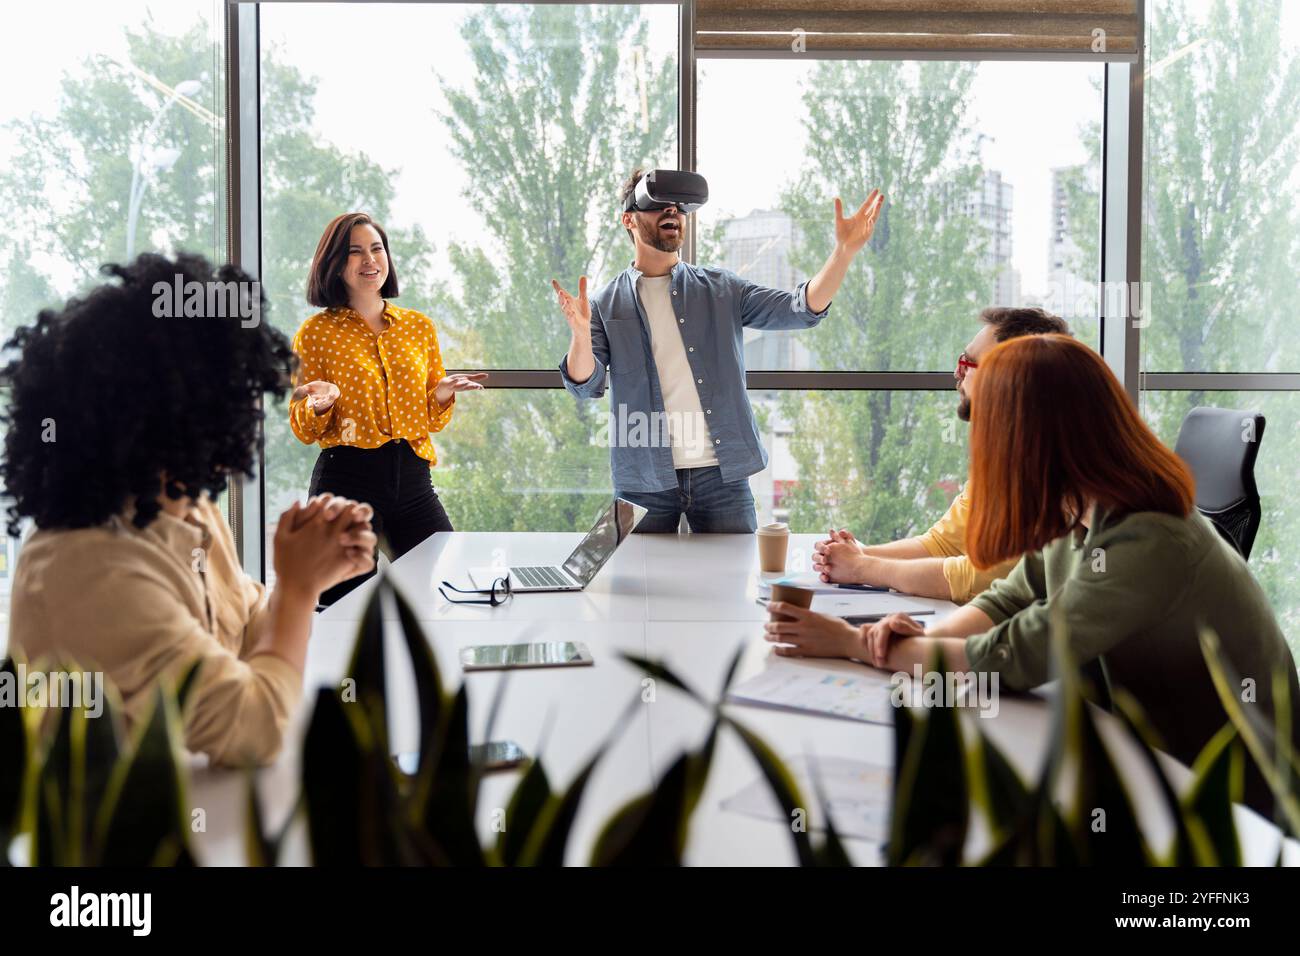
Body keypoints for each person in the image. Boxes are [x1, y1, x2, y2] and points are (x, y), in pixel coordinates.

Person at [766, 333, 1300, 814]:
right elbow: (1006, 601)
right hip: (1139, 758)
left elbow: (1016, 656)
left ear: (1030, 437)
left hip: (1228, 808)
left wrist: (855, 644)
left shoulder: (1147, 540)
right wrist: (912, 636)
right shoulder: (1081, 514)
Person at [5, 253, 377, 766]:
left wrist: (313, 570)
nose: (250, 410)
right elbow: (255, 729)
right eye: (236, 390)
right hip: (118, 838)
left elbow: (247, 631)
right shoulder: (88, 566)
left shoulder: (189, 509)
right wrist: (294, 590)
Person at [555, 167, 884, 532]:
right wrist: (581, 336)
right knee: (639, 585)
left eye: (679, 207)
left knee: (733, 583)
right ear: (628, 219)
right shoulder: (605, 304)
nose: (672, 212)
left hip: (722, 477)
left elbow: (800, 308)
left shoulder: (720, 289)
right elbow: (586, 384)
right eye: (658, 205)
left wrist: (843, 252)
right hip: (642, 480)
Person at [290, 212, 486, 605]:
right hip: (346, 484)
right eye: (355, 252)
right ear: (334, 263)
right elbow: (303, 427)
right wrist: (320, 404)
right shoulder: (316, 334)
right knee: (342, 614)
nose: (370, 260)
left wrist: (442, 394)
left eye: (376, 248)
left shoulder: (418, 328)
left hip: (412, 482)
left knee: (443, 594)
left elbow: (430, 418)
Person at [813, 307, 1071, 602]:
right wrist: (855, 554)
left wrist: (863, 568)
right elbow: (944, 544)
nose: (956, 372)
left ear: (1009, 376)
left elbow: (979, 576)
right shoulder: (1005, 450)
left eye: (968, 363)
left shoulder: (1048, 463)